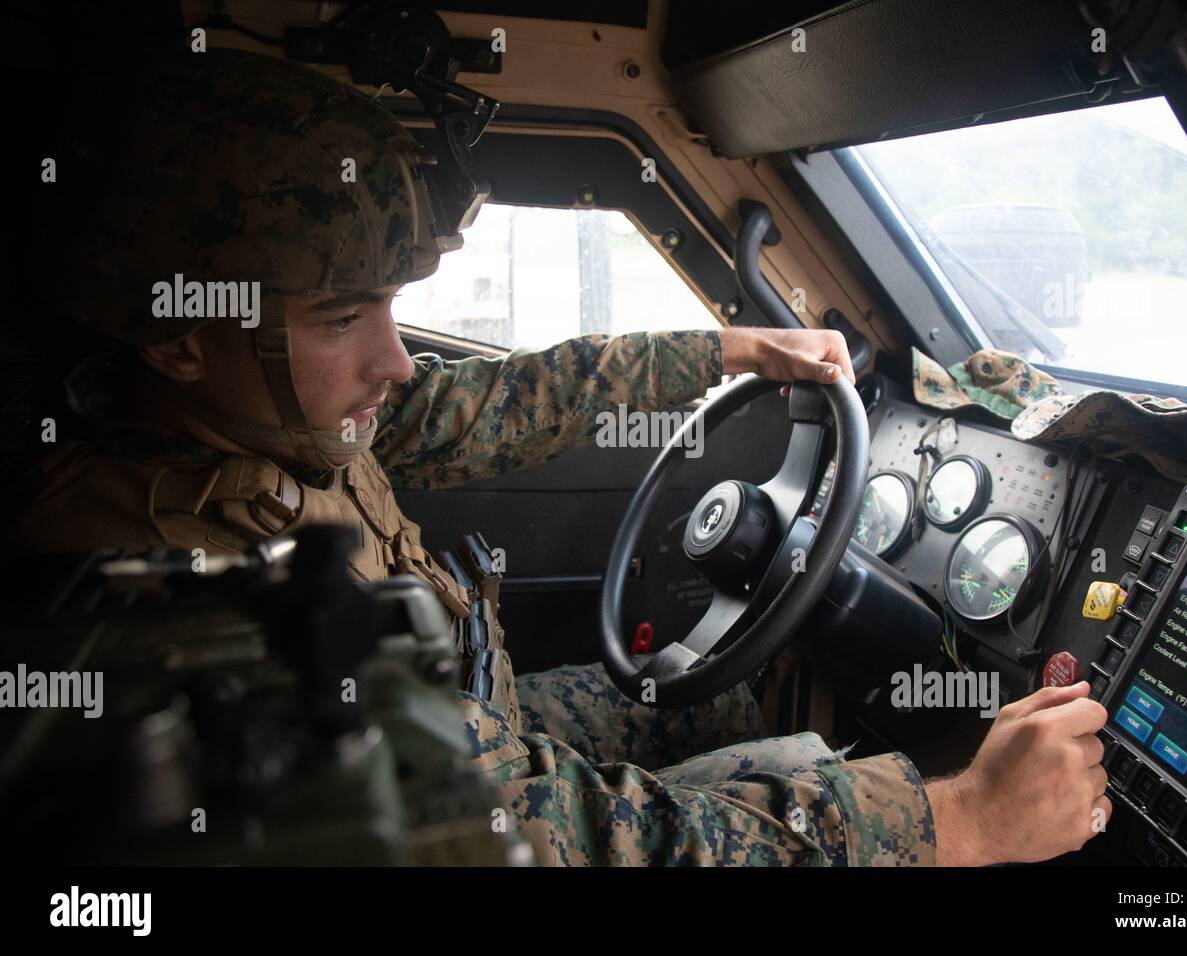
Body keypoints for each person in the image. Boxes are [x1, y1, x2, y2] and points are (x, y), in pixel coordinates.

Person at [6, 47, 1110, 865]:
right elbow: (533, 838)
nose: (394, 359)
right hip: (466, 809)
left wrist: (727, 346)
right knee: (805, 772)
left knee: (743, 675)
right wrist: (954, 820)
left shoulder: (255, 421)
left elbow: (487, 401)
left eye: (393, 307)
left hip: (475, 719)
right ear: (174, 335)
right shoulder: (165, 612)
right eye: (346, 315)